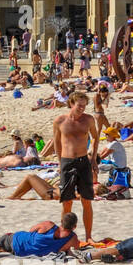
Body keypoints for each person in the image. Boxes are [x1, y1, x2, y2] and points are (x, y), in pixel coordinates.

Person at [51, 91, 99, 241]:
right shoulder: (60, 121)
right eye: (79, 106)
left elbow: (96, 138)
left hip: (83, 161)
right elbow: (56, 143)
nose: (82, 109)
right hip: (67, 161)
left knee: (87, 200)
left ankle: (89, 237)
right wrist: (60, 162)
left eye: (84, 106)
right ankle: (65, 235)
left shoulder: (89, 120)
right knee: (67, 201)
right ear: (71, 103)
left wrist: (94, 160)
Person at [0, 214, 80, 257]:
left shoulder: (48, 225)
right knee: (2, 247)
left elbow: (31, 230)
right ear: (74, 227)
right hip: (24, 252)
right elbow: (75, 247)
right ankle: (0, 250)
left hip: (19, 241)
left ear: (61, 222)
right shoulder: (72, 238)